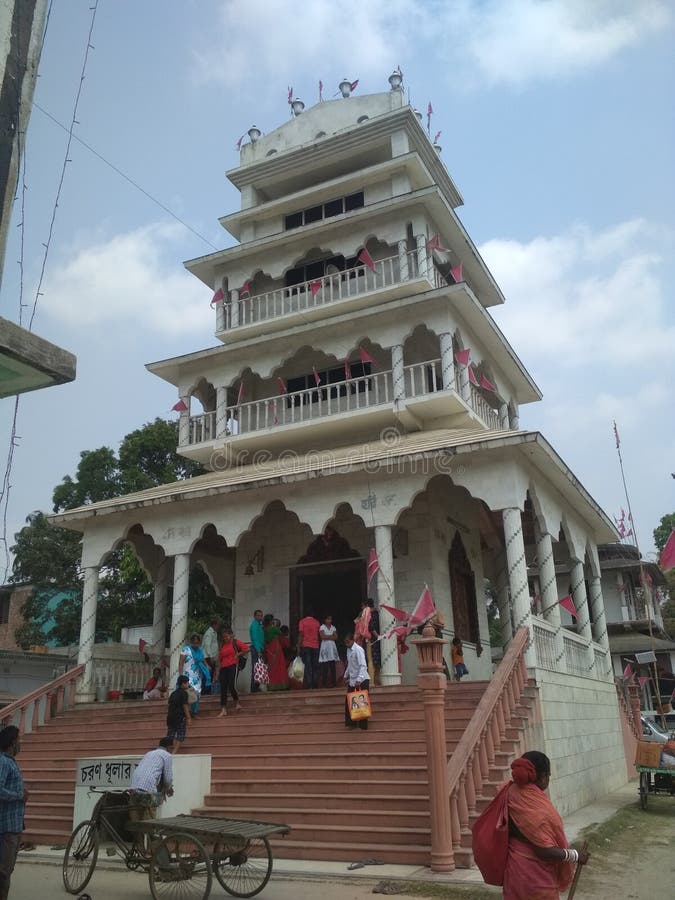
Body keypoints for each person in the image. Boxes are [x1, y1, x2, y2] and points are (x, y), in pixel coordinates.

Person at [502, 752, 590, 899]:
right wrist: (575, 855)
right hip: (536, 878)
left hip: (514, 872)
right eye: (548, 775)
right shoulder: (537, 806)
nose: (548, 779)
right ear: (542, 777)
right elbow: (544, 851)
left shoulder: (510, 792)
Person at [0, 725, 27, 900]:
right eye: (18, 739)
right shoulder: (3, 762)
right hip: (5, 829)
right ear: (12, 742)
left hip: (14, 826)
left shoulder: (10, 762)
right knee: (3, 874)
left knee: (6, 872)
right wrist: (19, 795)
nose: (20, 743)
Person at [129, 736, 174, 824]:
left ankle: (138, 837)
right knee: (150, 822)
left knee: (136, 822)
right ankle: (151, 836)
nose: (172, 750)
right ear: (169, 747)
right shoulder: (167, 756)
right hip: (147, 789)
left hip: (133, 787)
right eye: (172, 748)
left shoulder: (149, 753)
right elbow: (168, 779)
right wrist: (169, 789)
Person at [218, 628, 248, 716]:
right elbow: (220, 658)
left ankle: (237, 702)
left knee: (231, 685)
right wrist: (218, 671)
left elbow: (246, 648)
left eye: (226, 636)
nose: (225, 638)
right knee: (223, 688)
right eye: (224, 637)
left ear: (231, 635)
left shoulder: (235, 642)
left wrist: (238, 654)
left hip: (233, 666)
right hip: (223, 667)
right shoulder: (223, 645)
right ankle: (223, 709)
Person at [179, 633, 211, 714]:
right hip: (187, 677)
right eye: (194, 643)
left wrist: (207, 666)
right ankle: (184, 712)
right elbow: (181, 663)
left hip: (197, 677)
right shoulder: (186, 649)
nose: (196, 645)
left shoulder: (200, 650)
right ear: (191, 642)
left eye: (197, 643)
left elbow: (203, 659)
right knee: (187, 695)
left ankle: (194, 712)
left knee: (197, 695)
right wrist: (181, 675)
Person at [344, 632, 370, 730]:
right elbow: (350, 665)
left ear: (352, 640)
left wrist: (359, 678)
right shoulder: (349, 650)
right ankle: (351, 723)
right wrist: (346, 676)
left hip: (362, 679)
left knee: (362, 702)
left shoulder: (358, 650)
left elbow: (363, 665)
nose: (347, 644)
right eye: (345, 643)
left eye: (348, 642)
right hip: (352, 680)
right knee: (349, 701)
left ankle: (363, 725)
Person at [166, 675, 191, 754]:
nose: (188, 684)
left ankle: (166, 751)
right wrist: (188, 717)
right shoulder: (184, 693)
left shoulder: (173, 693)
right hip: (180, 717)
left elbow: (169, 705)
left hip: (170, 717)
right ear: (183, 684)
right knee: (180, 735)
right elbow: (185, 705)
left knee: (170, 735)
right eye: (187, 683)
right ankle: (174, 752)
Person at [297, 608, 321, 690]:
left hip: (306, 646)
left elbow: (301, 634)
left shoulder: (302, 622)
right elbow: (319, 635)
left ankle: (309, 685)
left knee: (308, 666)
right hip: (315, 646)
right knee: (315, 666)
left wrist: (298, 647)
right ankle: (315, 684)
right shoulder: (317, 622)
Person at [264, 615, 289, 691]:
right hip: (276, 651)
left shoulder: (264, 629)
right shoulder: (273, 629)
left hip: (269, 651)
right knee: (279, 667)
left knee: (271, 668)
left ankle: (271, 686)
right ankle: (281, 685)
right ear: (270, 621)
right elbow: (281, 633)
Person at [318, 614, 339, 688]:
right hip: (325, 647)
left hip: (332, 647)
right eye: (328, 619)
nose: (329, 621)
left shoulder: (333, 627)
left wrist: (328, 636)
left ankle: (334, 683)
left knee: (333, 666)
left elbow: (336, 637)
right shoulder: (322, 627)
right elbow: (322, 637)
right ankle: (324, 684)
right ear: (325, 620)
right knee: (325, 667)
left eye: (330, 619)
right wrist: (331, 636)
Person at [249, 609, 265, 693]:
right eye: (258, 615)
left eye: (261, 615)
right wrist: (258, 650)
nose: (260, 617)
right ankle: (254, 688)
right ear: (254, 616)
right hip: (256, 649)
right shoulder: (254, 625)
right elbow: (255, 639)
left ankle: (256, 687)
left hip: (259, 648)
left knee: (259, 668)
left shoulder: (259, 625)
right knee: (256, 669)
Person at [202, 618, 220, 690]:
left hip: (212, 656)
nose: (218, 627)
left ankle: (209, 690)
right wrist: (211, 656)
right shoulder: (209, 633)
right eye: (217, 625)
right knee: (208, 674)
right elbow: (207, 645)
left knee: (211, 674)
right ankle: (206, 690)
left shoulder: (214, 632)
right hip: (208, 657)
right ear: (214, 625)